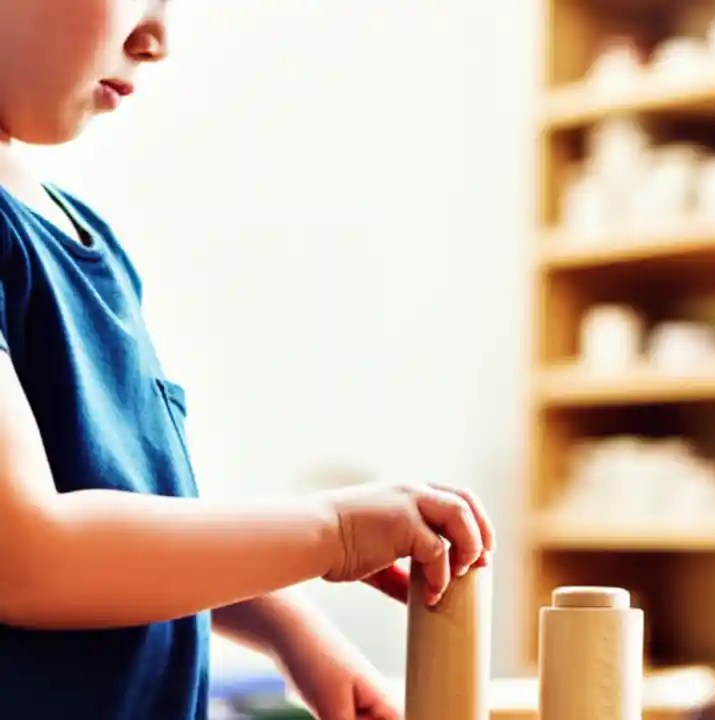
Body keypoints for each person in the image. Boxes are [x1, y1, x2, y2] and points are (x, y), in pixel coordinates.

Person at [0, 2, 495, 719]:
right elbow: (27, 558)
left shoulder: (84, 234)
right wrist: (335, 531)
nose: (157, 38)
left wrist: (284, 623)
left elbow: (129, 513)